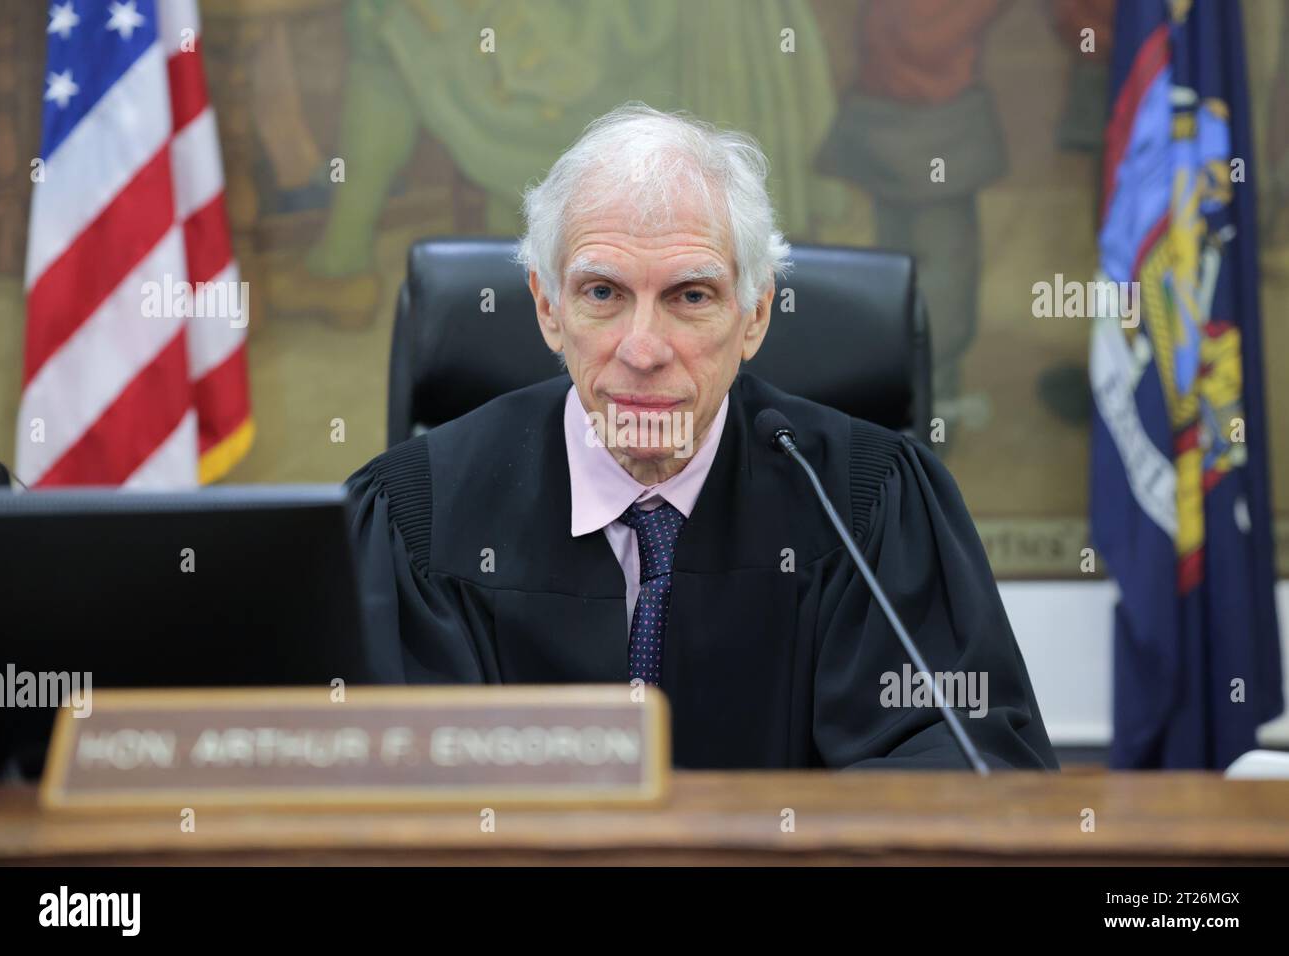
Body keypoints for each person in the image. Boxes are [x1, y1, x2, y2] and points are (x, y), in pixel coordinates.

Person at [347, 103, 1057, 770]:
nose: (644, 348)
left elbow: (961, 763)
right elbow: (373, 790)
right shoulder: (416, 518)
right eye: (603, 293)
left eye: (690, 297)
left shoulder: (868, 506)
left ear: (754, 316)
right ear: (547, 308)